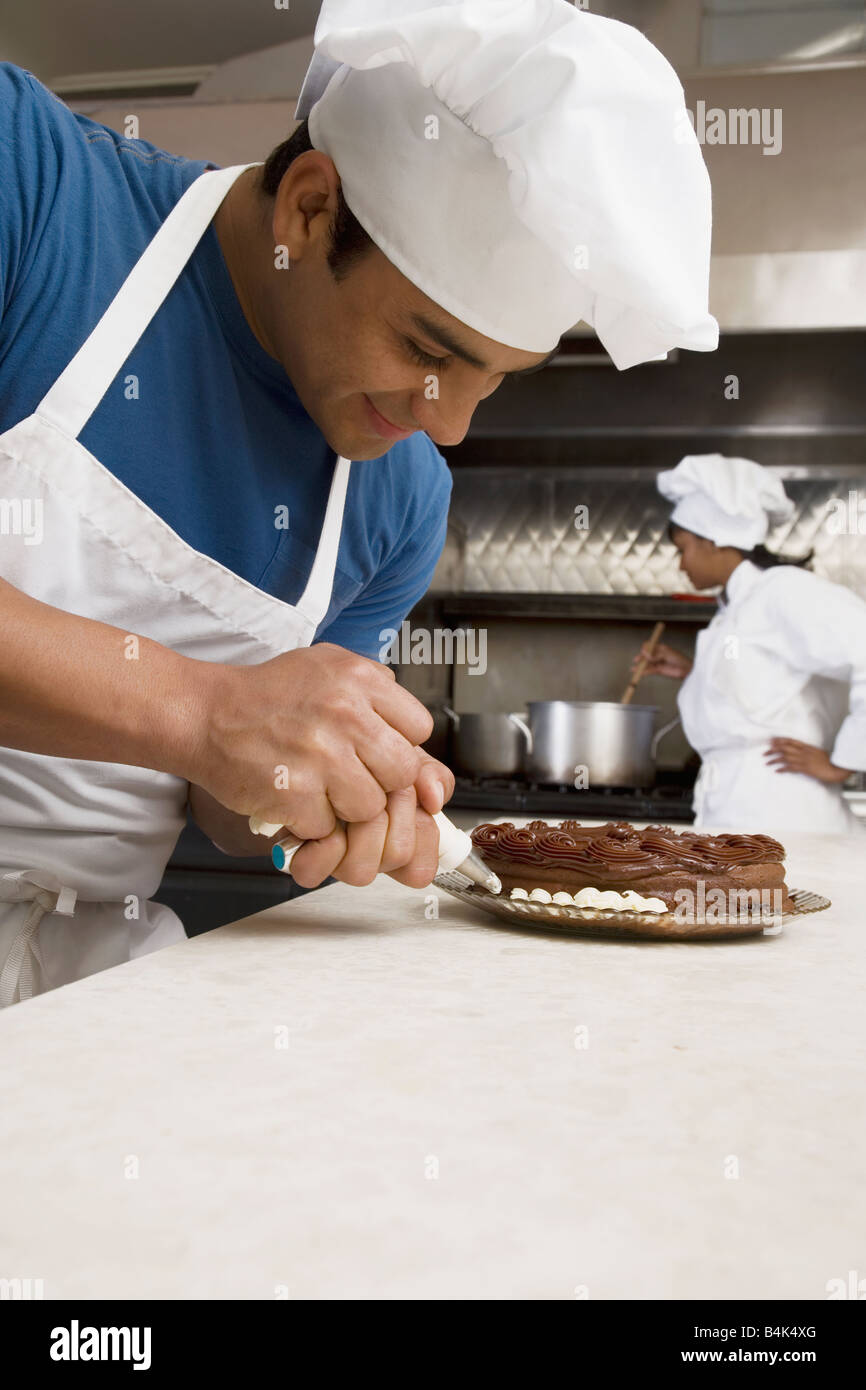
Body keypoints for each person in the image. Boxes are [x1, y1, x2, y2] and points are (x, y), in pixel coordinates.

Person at [0, 0, 718, 1003]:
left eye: (496, 379)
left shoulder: (398, 503)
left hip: (71, 987)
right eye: (428, 351)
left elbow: (213, 794)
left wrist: (313, 782)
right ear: (307, 208)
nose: (450, 425)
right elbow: (201, 722)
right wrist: (205, 709)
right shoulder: (32, 191)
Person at [632, 455, 866, 832]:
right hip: (740, 809)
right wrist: (695, 672)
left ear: (715, 540)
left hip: (785, 815)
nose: (681, 565)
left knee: (788, 894)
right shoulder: (738, 605)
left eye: (683, 548)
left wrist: (843, 763)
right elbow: (763, 695)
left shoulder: (782, 591)